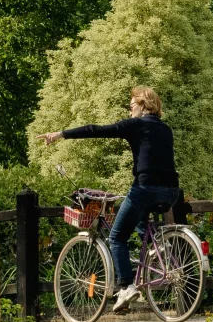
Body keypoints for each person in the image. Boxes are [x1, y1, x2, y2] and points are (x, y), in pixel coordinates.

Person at [41, 86, 179, 310]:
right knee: (140, 210)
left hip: (145, 188)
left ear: (143, 105)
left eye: (132, 104)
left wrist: (61, 134)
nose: (129, 108)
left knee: (117, 237)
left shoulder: (136, 124)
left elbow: (96, 130)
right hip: (171, 191)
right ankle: (156, 247)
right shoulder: (166, 129)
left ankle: (126, 287)